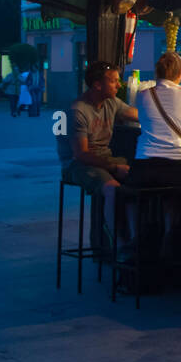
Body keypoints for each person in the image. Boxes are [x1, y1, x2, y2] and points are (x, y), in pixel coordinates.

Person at [127, 52, 181, 258]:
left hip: (145, 163)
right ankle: (169, 236)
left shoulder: (142, 93)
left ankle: (135, 238)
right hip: (175, 165)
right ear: (180, 73)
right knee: (172, 199)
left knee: (131, 196)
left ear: (156, 72)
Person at [57, 61, 139, 250]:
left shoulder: (111, 102)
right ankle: (119, 244)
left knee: (138, 178)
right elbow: (81, 154)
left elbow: (138, 114)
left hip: (104, 158)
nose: (119, 85)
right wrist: (115, 168)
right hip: (76, 165)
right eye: (114, 81)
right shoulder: (77, 111)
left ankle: (136, 239)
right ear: (97, 85)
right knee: (112, 188)